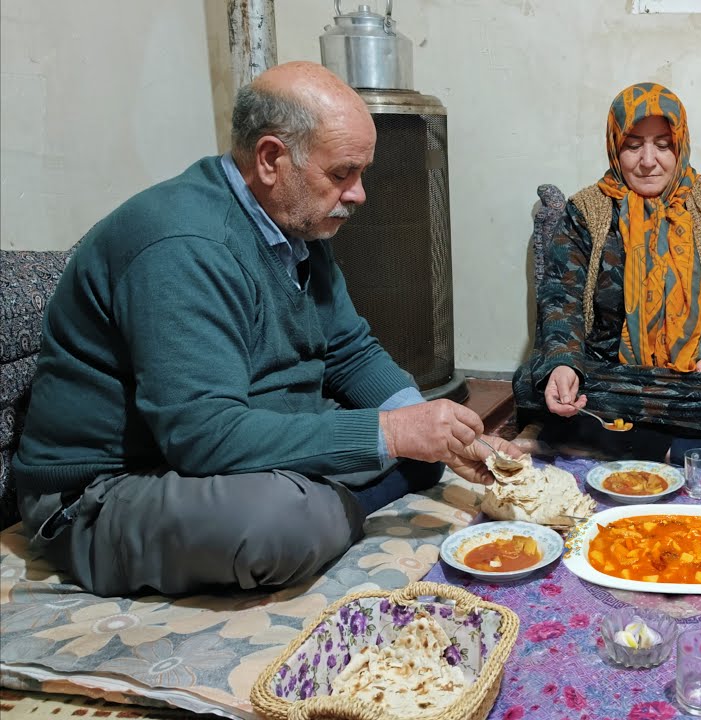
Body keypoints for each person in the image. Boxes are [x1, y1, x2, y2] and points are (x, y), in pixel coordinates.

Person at [12, 61, 521, 597]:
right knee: (289, 523)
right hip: (110, 490)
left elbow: (350, 350)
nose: (359, 194)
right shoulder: (182, 246)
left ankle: (328, 490)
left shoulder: (298, 224)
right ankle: (328, 505)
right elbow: (202, 435)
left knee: (416, 457)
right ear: (272, 158)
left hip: (224, 439)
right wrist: (393, 434)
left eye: (361, 174)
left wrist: (424, 424)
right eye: (342, 173)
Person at [512, 82, 701, 484]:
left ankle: (607, 433)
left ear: (681, 144)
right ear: (614, 145)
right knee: (533, 387)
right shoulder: (586, 210)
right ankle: (675, 444)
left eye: (663, 145)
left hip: (695, 374)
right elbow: (561, 296)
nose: (648, 161)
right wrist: (564, 363)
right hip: (607, 369)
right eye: (633, 145)